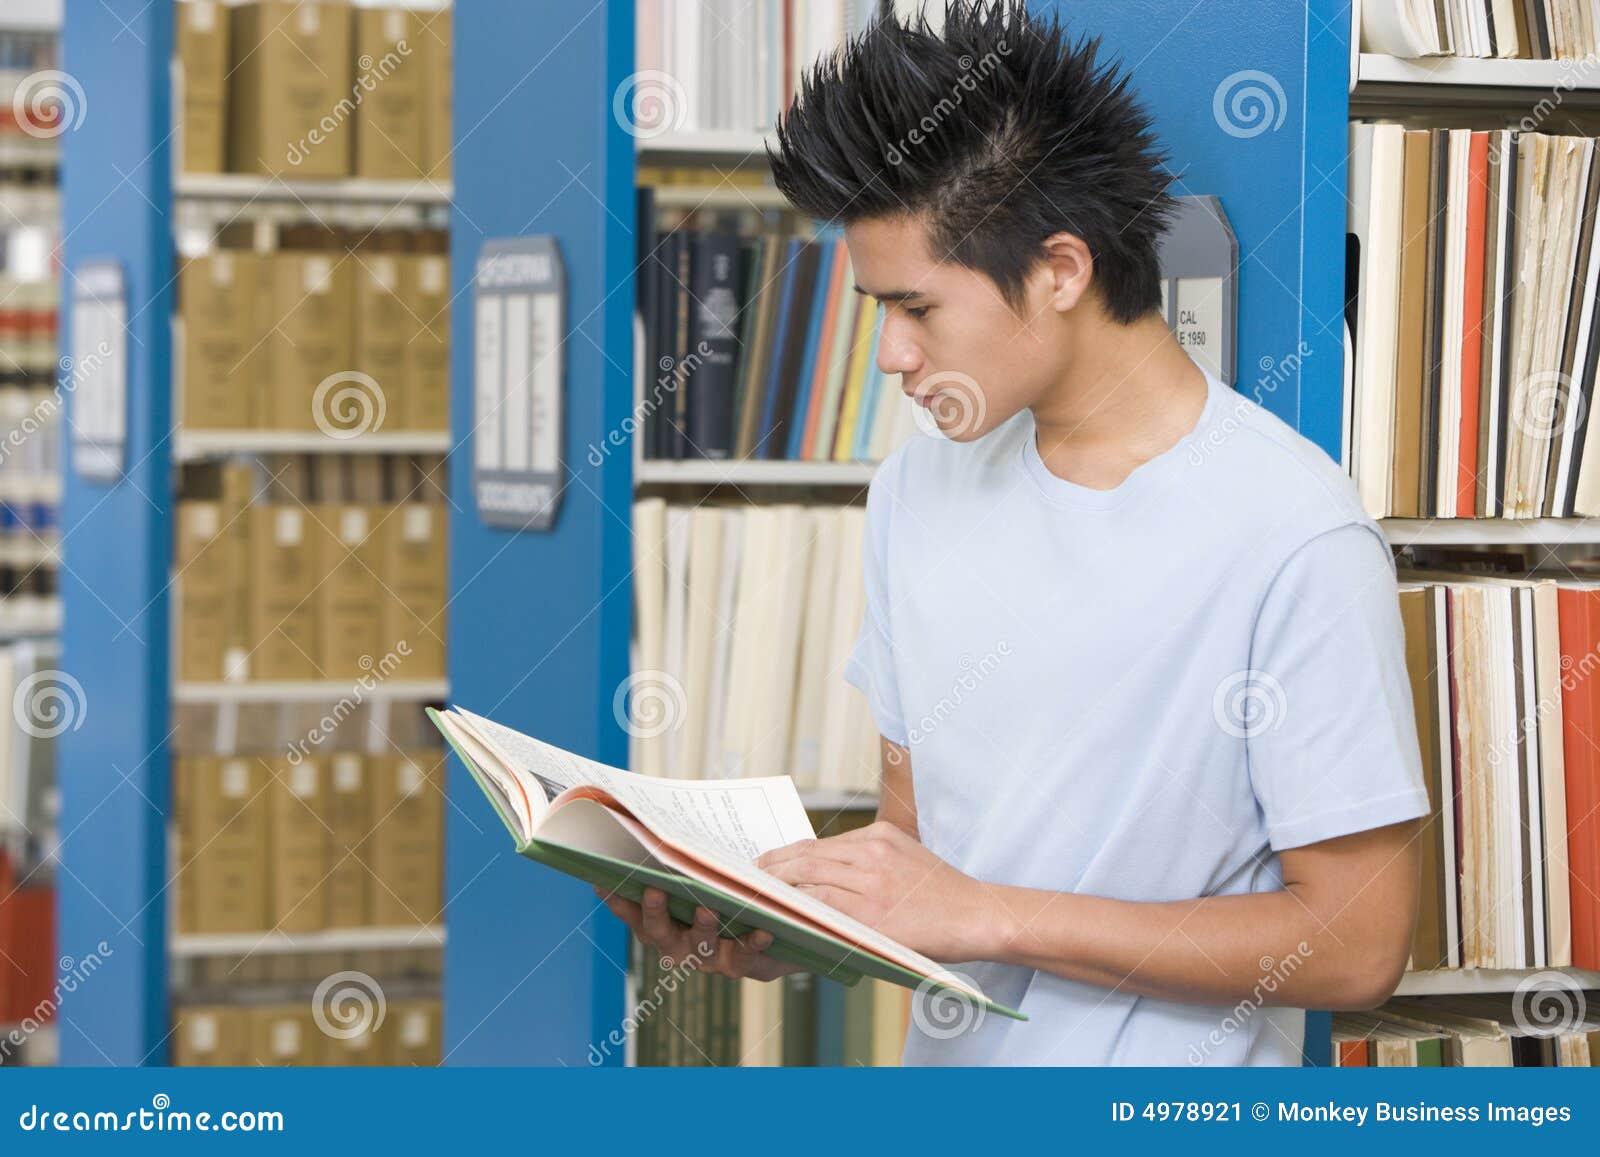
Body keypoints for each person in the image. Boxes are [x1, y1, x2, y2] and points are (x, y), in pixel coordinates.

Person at [599, 0, 1427, 1065]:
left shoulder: (1293, 535)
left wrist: (985, 912)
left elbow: (1355, 945)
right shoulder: (915, 487)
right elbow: (919, 860)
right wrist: (785, 926)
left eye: (919, 309)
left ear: (1060, 271)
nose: (892, 353)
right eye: (875, 309)